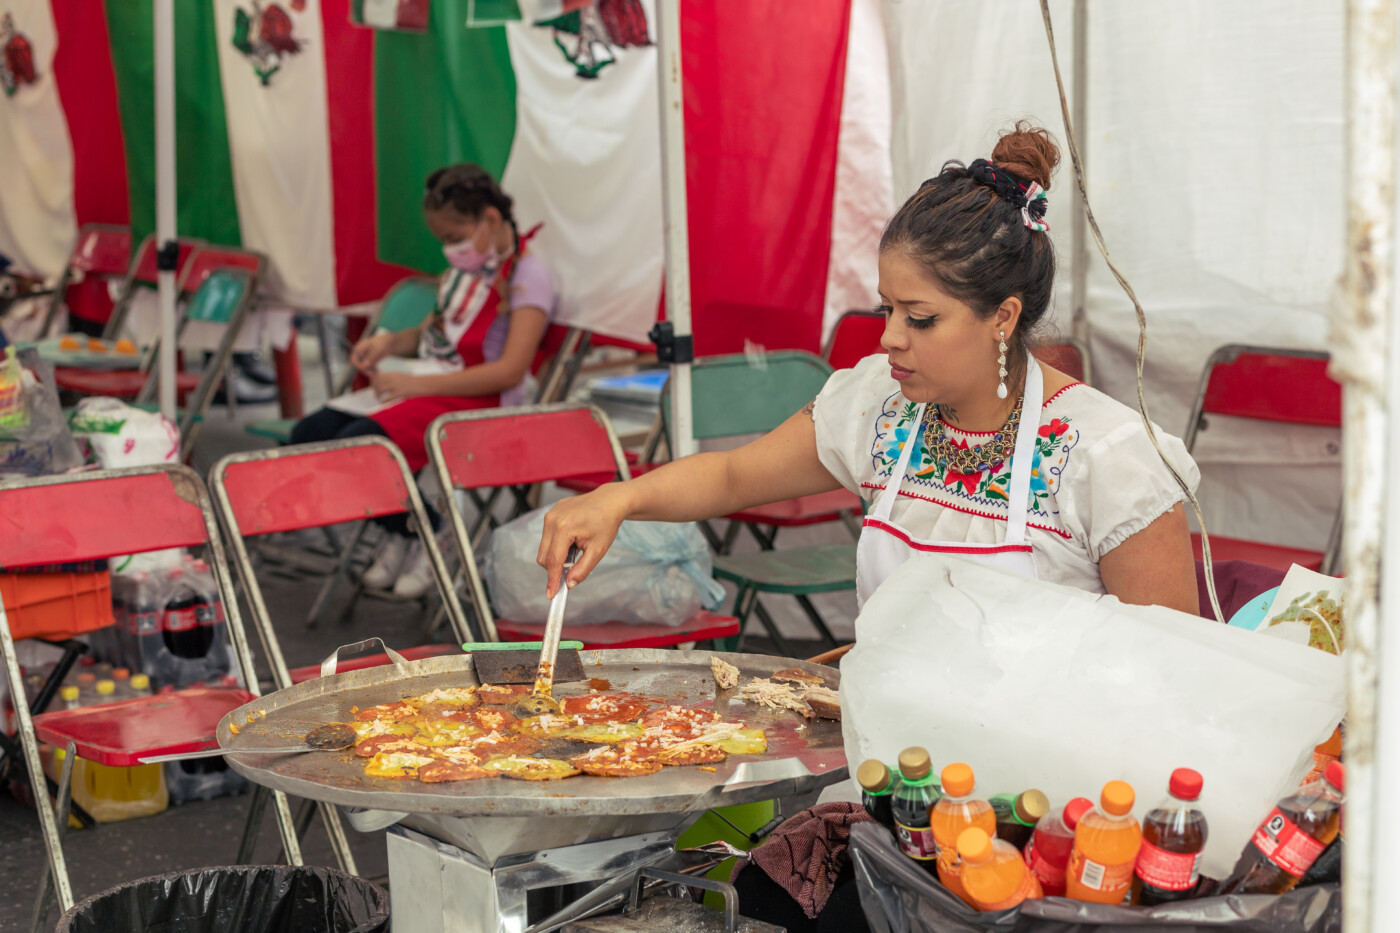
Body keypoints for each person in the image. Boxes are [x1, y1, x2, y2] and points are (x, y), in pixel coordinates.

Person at [536, 122, 1198, 932]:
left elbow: (1170, 678)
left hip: (1037, 830)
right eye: (888, 308)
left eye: (920, 318)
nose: (888, 337)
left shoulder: (1109, 458)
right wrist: (621, 498)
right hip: (887, 798)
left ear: (1003, 316)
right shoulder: (882, 411)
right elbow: (737, 473)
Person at [293, 164, 555, 598]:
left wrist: (414, 386)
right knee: (310, 436)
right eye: (444, 241)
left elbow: (510, 370)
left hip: (481, 399)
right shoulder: (467, 273)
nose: (450, 249)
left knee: (363, 447)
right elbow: (435, 334)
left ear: (490, 219)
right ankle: (405, 527)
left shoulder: (529, 276)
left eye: (455, 238)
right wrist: (389, 341)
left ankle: (432, 531)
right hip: (435, 383)